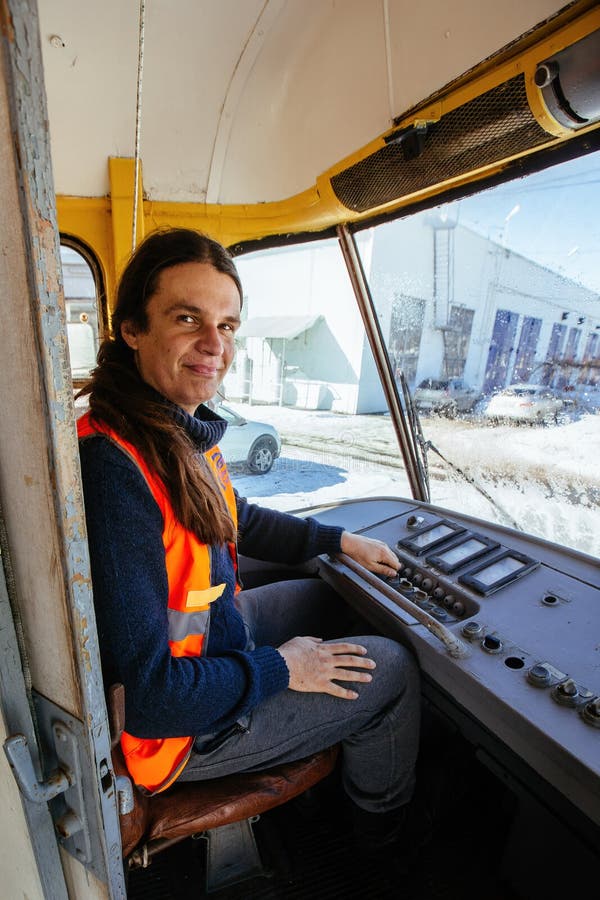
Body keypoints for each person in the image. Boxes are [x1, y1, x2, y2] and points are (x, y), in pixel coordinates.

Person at [76, 227, 422, 870]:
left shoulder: (167, 427)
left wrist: (336, 541)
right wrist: (284, 668)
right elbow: (153, 698)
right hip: (179, 731)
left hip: (217, 644)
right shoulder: (115, 470)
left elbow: (235, 518)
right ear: (131, 328)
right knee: (392, 671)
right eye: (188, 319)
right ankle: (378, 849)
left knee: (328, 598)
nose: (215, 346)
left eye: (229, 326)